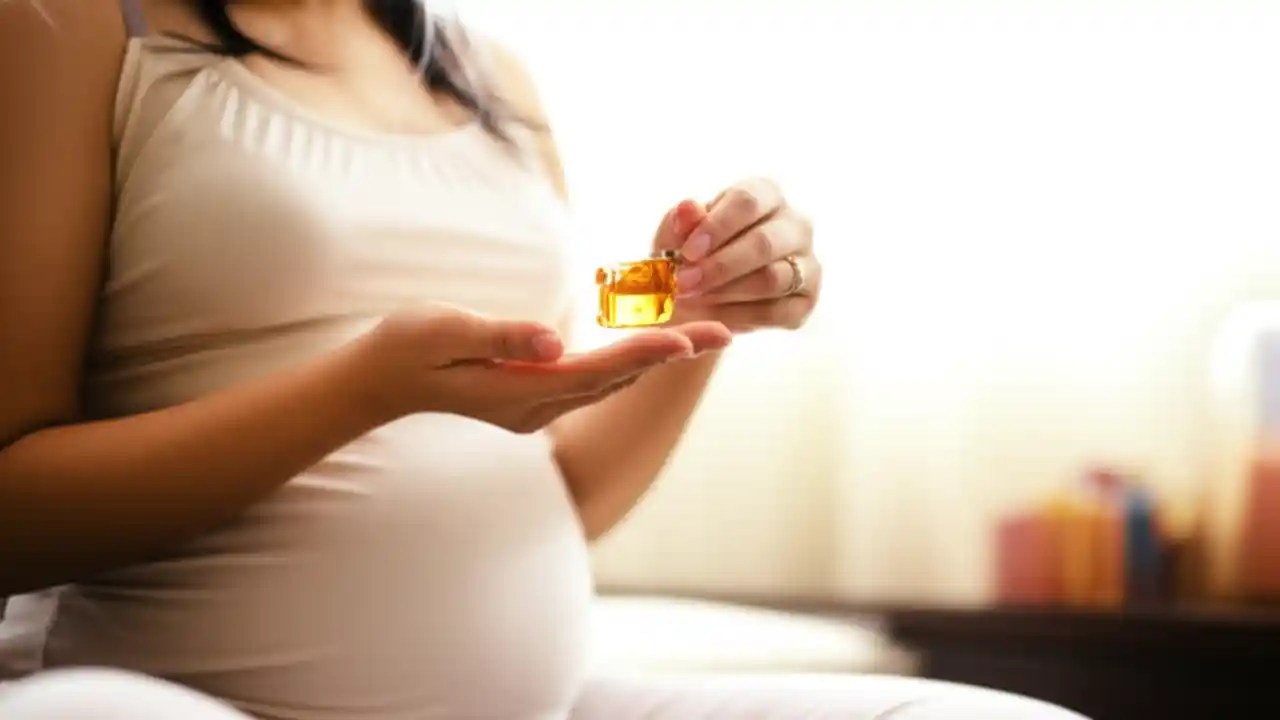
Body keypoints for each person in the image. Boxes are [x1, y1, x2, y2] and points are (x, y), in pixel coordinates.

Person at [0, 1, 1085, 718]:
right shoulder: (72, 26)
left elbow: (561, 492)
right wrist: (359, 391)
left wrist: (701, 324)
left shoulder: (491, 75)